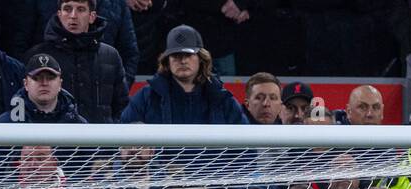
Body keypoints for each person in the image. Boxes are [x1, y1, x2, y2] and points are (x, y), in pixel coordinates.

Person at [118, 24, 246, 125]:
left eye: (188, 55)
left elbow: (246, 143)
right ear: (167, 61)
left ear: (201, 59)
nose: (183, 61)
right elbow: (123, 135)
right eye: (176, 56)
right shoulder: (146, 97)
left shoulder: (222, 98)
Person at [25, 0, 128, 123]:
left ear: (92, 17)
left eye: (81, 9)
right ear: (59, 14)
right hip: (54, 134)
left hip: (101, 134)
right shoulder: (38, 56)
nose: (73, 16)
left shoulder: (110, 56)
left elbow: (122, 107)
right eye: (67, 9)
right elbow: (25, 104)